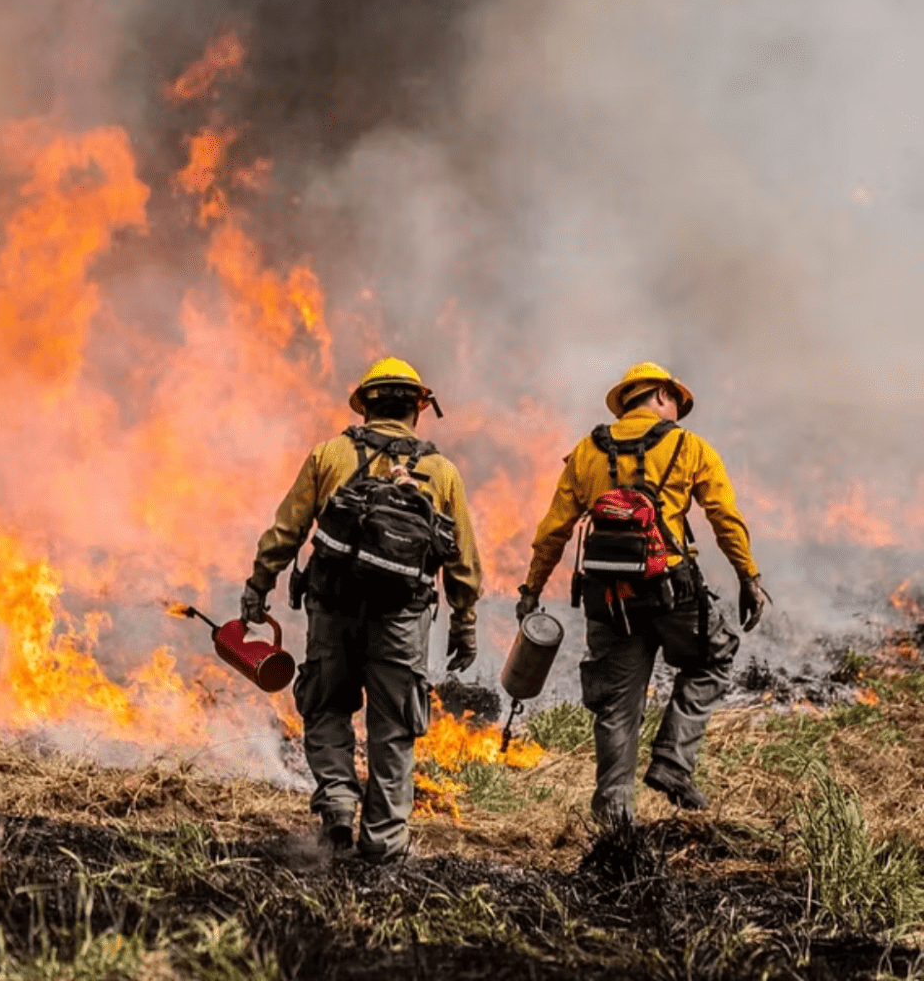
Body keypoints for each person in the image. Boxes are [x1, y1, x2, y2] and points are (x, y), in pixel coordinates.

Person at [240, 357, 483, 862]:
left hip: (332, 611)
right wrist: (465, 625)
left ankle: (337, 803)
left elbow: (286, 532)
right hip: (401, 622)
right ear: (418, 407)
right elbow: (463, 560)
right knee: (392, 731)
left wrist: (258, 587)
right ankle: (383, 847)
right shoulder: (440, 471)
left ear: (366, 405)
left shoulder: (329, 455)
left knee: (326, 708)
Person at [516, 362, 769, 824]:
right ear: (657, 395)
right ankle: (672, 764)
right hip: (673, 591)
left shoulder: (586, 452)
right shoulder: (690, 447)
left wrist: (532, 589)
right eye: (674, 400)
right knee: (716, 655)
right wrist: (748, 577)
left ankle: (615, 820)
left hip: (610, 598)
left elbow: (553, 530)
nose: (676, 412)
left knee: (616, 705)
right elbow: (724, 518)